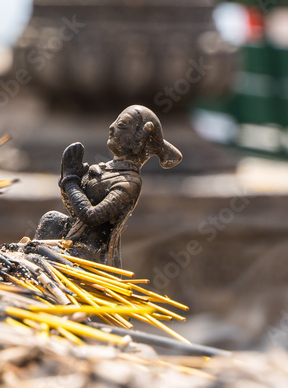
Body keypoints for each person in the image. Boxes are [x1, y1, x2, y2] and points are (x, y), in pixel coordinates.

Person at [34, 105, 181, 267]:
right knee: (51, 219)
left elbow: (91, 216)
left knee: (36, 258)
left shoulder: (128, 183)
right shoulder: (104, 170)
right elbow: (74, 211)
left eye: (121, 125)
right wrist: (68, 179)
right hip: (72, 241)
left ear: (138, 139)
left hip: (90, 253)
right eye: (115, 122)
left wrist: (70, 181)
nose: (111, 128)